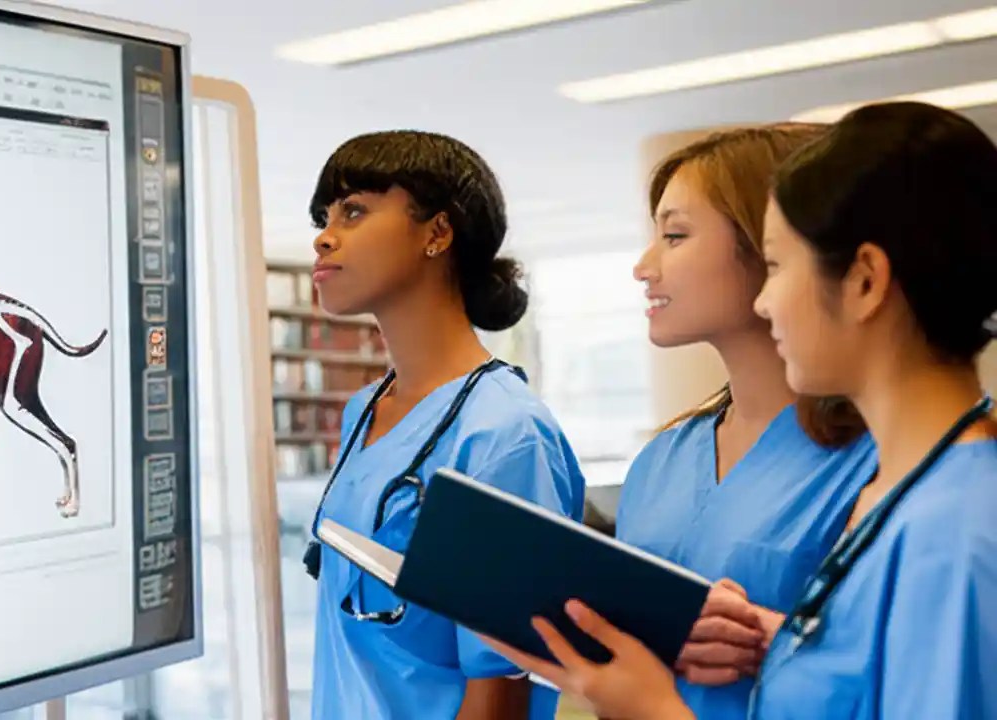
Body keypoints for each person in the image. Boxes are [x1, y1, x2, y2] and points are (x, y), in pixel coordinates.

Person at [484, 101, 997, 720]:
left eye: (778, 266)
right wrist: (783, 640)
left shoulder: (951, 524)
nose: (767, 300)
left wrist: (652, 707)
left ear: (864, 281)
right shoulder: (913, 493)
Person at [303, 130, 585, 720]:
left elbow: (504, 684)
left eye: (354, 211)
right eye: (323, 217)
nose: (324, 237)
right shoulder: (363, 414)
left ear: (438, 231)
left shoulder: (504, 433)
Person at [613, 124, 875, 720]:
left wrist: (776, 644)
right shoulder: (662, 462)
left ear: (776, 243)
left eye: (675, 235)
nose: (644, 267)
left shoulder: (886, 457)